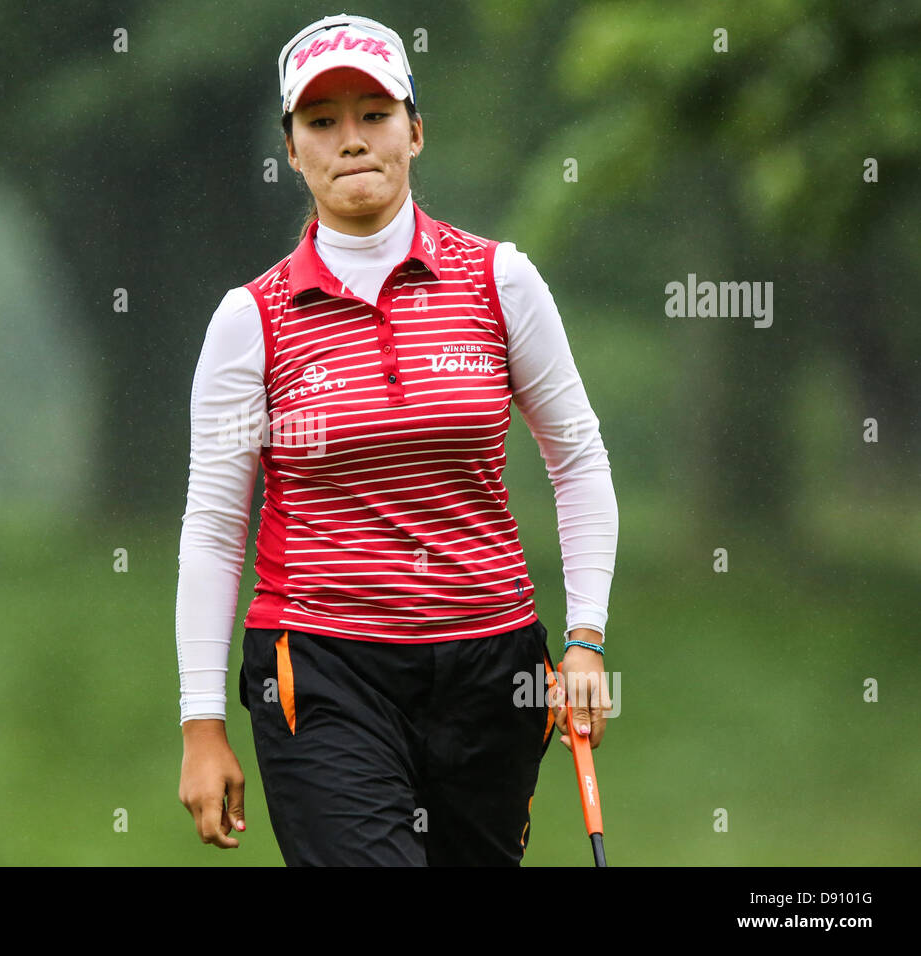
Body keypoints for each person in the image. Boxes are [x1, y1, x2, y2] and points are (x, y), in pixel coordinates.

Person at [175, 13, 618, 866]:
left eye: (374, 114)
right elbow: (213, 526)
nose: (351, 140)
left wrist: (586, 640)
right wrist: (202, 722)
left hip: (493, 664)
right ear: (292, 148)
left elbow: (578, 457)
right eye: (322, 121)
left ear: (415, 130)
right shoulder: (250, 321)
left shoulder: (501, 280)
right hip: (322, 668)